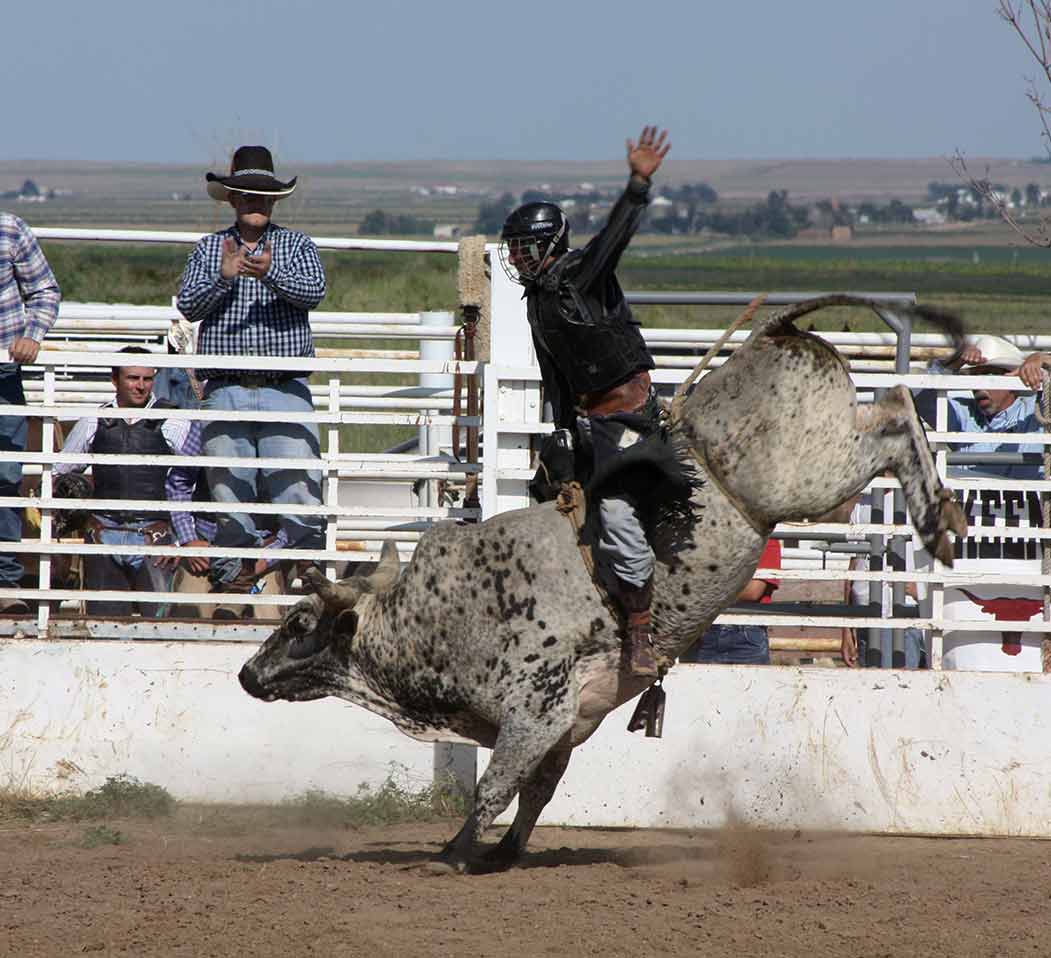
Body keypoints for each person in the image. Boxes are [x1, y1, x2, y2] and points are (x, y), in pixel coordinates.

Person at [499, 127, 675, 678]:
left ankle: (641, 628)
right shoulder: (536, 301)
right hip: (584, 420)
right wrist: (559, 431)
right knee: (546, 502)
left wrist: (637, 185)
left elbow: (613, 238)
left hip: (626, 415)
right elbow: (553, 373)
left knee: (616, 514)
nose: (515, 256)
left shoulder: (583, 274)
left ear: (548, 245)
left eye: (522, 247)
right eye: (512, 248)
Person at [176, 145, 326, 607]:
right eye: (246, 194)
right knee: (229, 495)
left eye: (262, 195)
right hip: (227, 387)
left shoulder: (296, 246)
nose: (254, 202)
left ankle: (282, 574)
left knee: (300, 493)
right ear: (232, 200)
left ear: (274, 201)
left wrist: (271, 274)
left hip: (284, 387)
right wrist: (224, 277)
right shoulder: (209, 248)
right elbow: (188, 306)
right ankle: (237, 584)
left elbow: (314, 292)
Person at [912, 334, 1049, 670]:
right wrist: (953, 362)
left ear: (1011, 377)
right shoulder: (964, 414)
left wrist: (1043, 359)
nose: (978, 387)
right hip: (986, 543)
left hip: (1024, 540)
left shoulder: (1038, 408)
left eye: (988, 376)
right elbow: (920, 398)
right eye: (974, 377)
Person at [54, 347, 201, 617]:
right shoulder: (94, 420)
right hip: (103, 533)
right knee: (104, 623)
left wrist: (182, 540)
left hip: (156, 535)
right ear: (115, 380)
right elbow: (59, 472)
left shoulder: (174, 420)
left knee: (159, 625)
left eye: (147, 378)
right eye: (133, 378)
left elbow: (192, 480)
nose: (141, 386)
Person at [0, 213, 61, 615]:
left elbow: (44, 290)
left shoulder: (9, 230)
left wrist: (32, 335)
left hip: (3, 368)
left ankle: (4, 581)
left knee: (4, 476)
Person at [679, 538, 781, 664]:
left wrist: (704, 589)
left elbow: (752, 591)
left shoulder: (767, 540)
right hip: (703, 629)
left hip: (744, 631)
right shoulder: (701, 538)